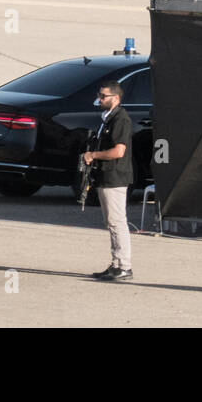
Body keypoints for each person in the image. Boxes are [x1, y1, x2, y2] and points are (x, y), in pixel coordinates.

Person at [86, 81, 134, 281]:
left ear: (116, 98)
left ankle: (124, 266)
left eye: (103, 96)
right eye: (99, 95)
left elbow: (118, 151)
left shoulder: (121, 119)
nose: (100, 99)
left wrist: (93, 155)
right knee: (111, 222)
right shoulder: (108, 118)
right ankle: (115, 264)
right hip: (106, 176)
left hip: (115, 176)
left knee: (117, 222)